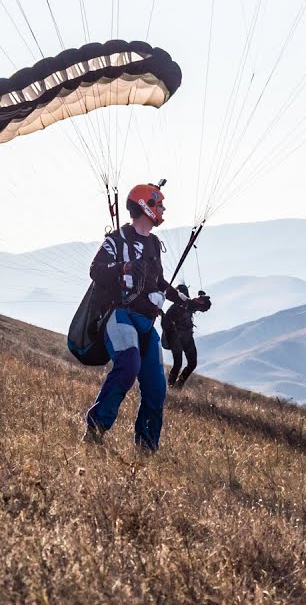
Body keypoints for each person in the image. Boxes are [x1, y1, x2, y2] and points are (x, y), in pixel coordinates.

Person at [83, 182, 190, 452]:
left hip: (146, 323)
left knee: (156, 386)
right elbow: (96, 270)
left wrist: (187, 301)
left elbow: (159, 282)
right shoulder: (116, 240)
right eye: (160, 204)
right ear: (146, 205)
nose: (163, 209)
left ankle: (146, 447)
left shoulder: (154, 243)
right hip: (119, 316)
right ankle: (95, 430)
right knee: (128, 364)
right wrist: (125, 266)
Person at [164, 284, 212, 388]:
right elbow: (166, 321)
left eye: (200, 299)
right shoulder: (181, 303)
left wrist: (201, 301)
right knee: (178, 363)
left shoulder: (190, 304)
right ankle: (171, 385)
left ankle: (177, 385)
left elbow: (202, 306)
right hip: (176, 336)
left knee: (192, 363)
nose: (198, 298)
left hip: (187, 337)